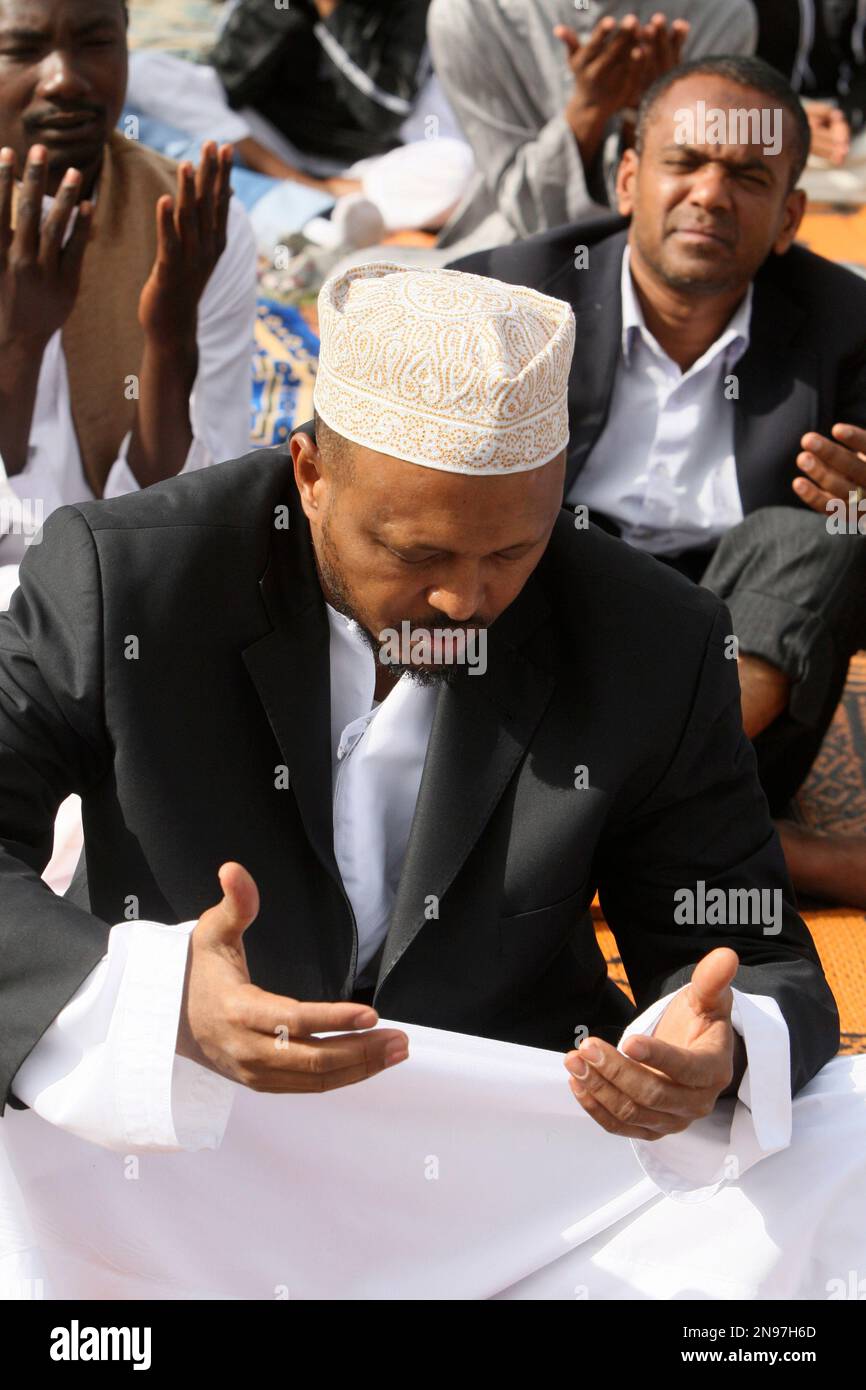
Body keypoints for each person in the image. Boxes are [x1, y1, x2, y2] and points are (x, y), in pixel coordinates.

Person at [0, 260, 856, 1300]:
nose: (465, 597)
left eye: (513, 548)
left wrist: (715, 1053)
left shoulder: (650, 638)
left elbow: (749, 951)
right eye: (414, 552)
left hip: (501, 1153)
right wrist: (154, 1005)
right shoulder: (124, 580)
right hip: (176, 1127)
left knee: (842, 1140)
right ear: (309, 475)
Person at [452, 56, 866, 907]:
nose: (711, 195)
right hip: (551, 640)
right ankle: (755, 851)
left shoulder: (850, 328)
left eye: (748, 176)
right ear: (631, 177)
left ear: (790, 218)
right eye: (685, 164)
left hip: (735, 657)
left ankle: (583, 813)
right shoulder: (508, 298)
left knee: (822, 531)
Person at [0, 0, 257, 602]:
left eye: (95, 43)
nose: (64, 78)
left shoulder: (190, 221)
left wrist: (169, 346)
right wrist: (21, 345)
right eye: (21, 50)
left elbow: (192, 513)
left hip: (122, 594)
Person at [427, 0, 758, 255]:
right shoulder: (468, 13)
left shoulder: (720, 12)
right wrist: (586, 112)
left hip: (667, 256)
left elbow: (701, 184)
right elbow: (525, 209)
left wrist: (653, 114)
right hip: (512, 249)